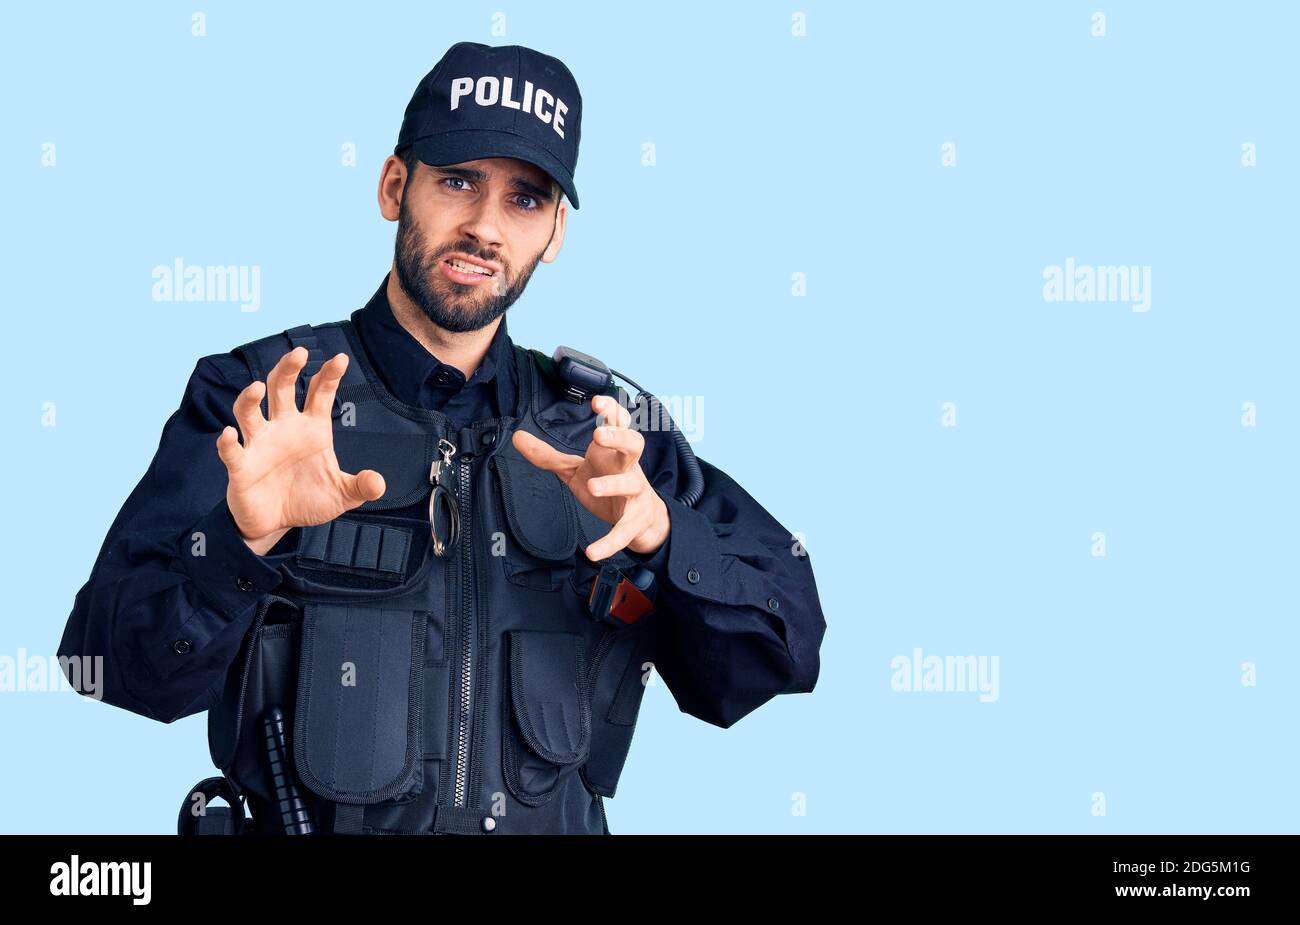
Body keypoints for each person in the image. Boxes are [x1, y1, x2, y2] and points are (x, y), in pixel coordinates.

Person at [58, 41, 827, 835]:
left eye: (525, 200)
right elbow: (106, 668)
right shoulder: (263, 400)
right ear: (396, 186)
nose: (485, 227)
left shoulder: (607, 437)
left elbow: (783, 653)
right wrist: (238, 547)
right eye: (457, 181)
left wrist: (669, 540)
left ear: (556, 231)